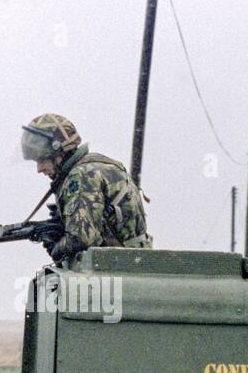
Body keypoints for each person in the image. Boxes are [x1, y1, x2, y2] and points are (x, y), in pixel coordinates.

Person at [20, 113, 151, 265]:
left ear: (59, 154)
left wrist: (56, 248)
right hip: (135, 261)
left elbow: (82, 238)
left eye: (43, 160)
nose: (40, 169)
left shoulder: (81, 175)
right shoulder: (96, 164)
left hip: (122, 265)